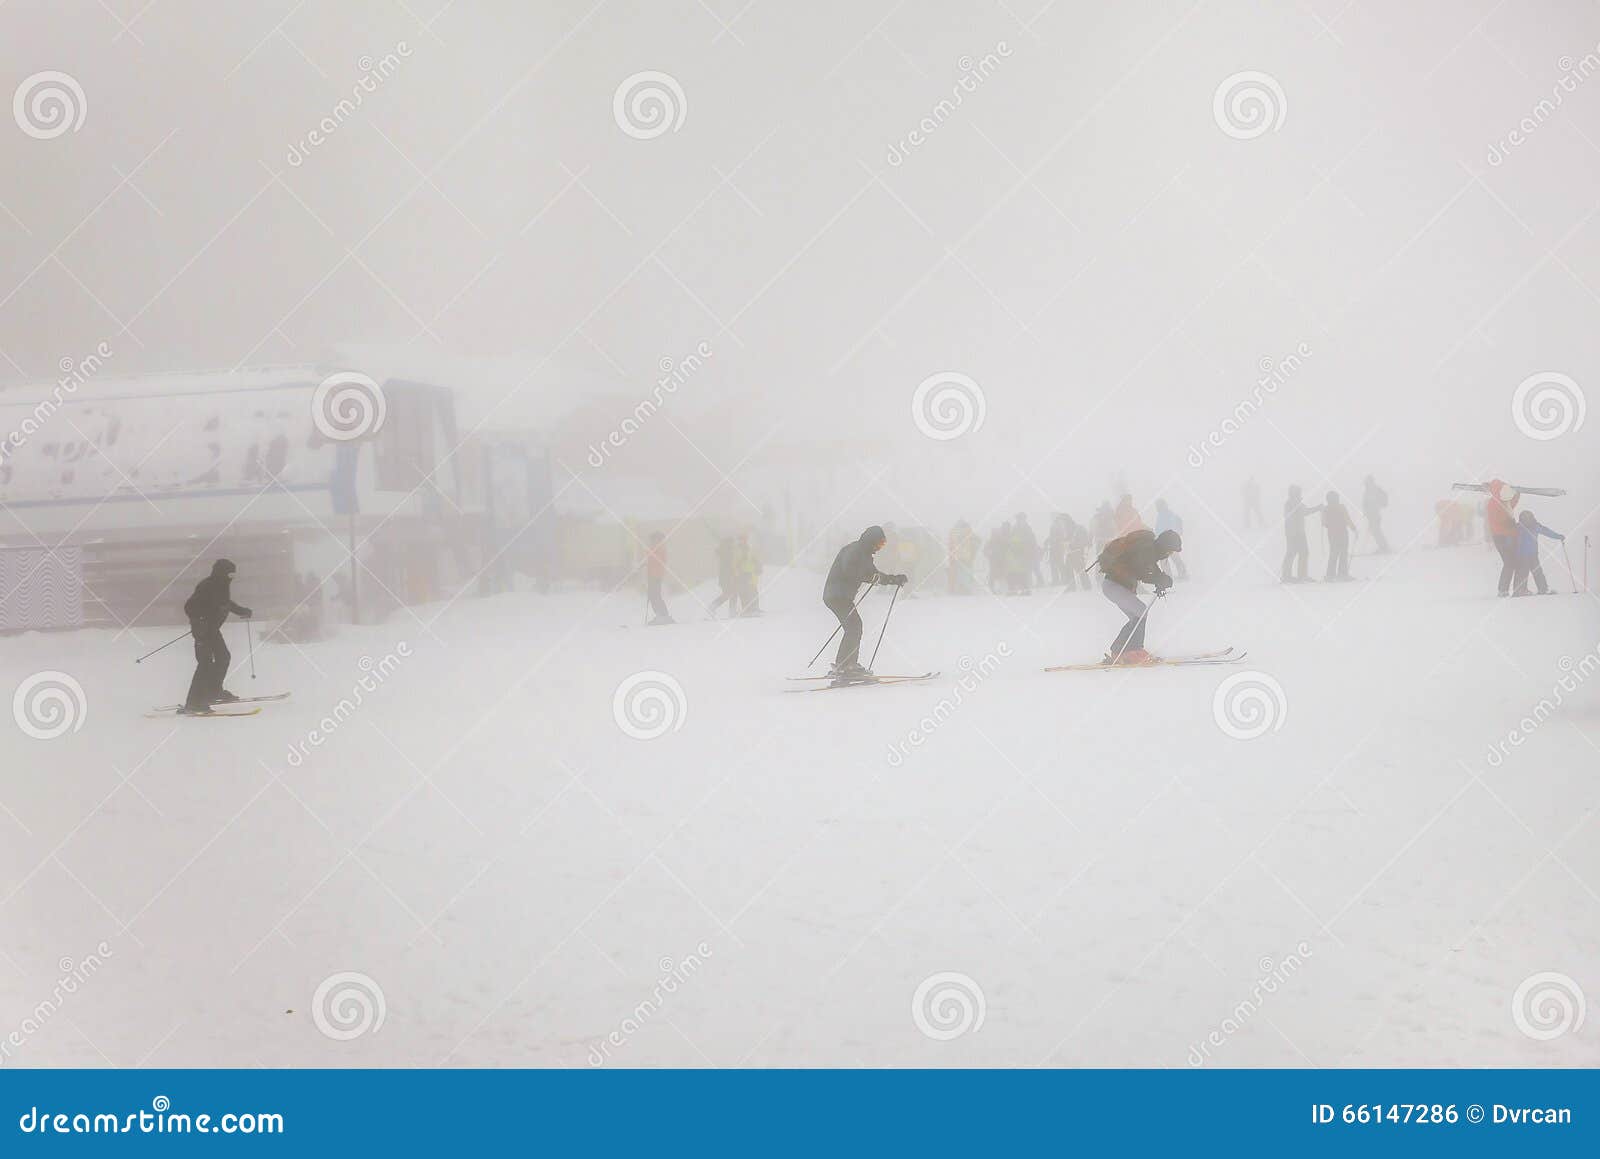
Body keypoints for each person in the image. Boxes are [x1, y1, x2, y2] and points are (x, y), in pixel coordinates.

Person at [822, 526, 906, 681]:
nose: (879, 548)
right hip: (837, 595)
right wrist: (869, 577)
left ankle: (844, 665)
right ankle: (846, 666)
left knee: (853, 627)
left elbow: (873, 575)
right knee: (854, 626)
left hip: (839, 595)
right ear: (871, 540)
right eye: (879, 543)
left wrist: (894, 579)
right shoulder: (855, 550)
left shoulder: (864, 554)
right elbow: (850, 570)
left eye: (882, 544)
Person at [1094, 528, 1181, 664]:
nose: (1169, 554)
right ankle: (1131, 650)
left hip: (1116, 586)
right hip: (1113, 586)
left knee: (1137, 616)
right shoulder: (1146, 550)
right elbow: (1144, 572)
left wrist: (1160, 580)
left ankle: (1124, 650)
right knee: (1140, 611)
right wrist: (1160, 579)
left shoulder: (1149, 551)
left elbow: (1150, 570)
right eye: (1170, 551)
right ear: (1165, 546)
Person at [181, 558, 252, 714]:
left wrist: (242, 611)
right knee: (205, 663)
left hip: (212, 630)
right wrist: (201, 620)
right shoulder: (206, 586)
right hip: (202, 631)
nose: (232, 578)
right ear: (221, 573)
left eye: (233, 575)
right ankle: (193, 703)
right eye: (230, 574)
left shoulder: (222, 586)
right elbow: (189, 606)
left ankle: (214, 691)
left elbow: (226, 603)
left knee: (223, 657)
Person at [1512, 510, 1564, 596]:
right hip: (1522, 555)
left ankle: (1542, 589)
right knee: (1523, 572)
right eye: (1525, 518)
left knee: (1537, 571)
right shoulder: (1519, 528)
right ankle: (1520, 590)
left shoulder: (1534, 526)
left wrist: (1558, 536)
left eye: (1528, 518)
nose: (1527, 520)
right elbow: (1510, 538)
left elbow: (1547, 532)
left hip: (1532, 554)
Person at [1485, 480, 1521, 596]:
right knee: (1509, 562)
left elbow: (1512, 504)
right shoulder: (1493, 503)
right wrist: (1507, 523)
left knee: (1512, 562)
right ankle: (1503, 590)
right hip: (1501, 537)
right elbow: (1495, 518)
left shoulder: (1504, 501)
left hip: (1509, 535)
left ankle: (1511, 589)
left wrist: (1517, 494)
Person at [1282, 485, 1323, 583]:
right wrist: (1317, 508)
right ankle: (1289, 576)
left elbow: (1304, 512)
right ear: (1294, 493)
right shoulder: (1292, 503)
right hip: (1294, 533)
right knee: (1294, 553)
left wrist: (1317, 508)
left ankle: (1297, 575)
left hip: (1297, 532)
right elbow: (1304, 512)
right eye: (1298, 492)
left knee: (1301, 553)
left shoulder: (1294, 503)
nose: (1300, 493)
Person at [1321, 491, 1358, 581]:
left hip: (1332, 534)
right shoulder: (1341, 507)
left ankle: (1330, 575)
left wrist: (1330, 525)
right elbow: (1347, 519)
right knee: (1343, 553)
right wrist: (1354, 529)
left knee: (1334, 553)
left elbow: (1324, 523)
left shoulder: (1326, 509)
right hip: (1342, 533)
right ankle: (1342, 574)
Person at [1153, 499, 1187, 580]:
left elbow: (1160, 529)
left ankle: (1169, 578)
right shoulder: (1169, 513)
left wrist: (1157, 538)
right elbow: (1178, 522)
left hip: (1165, 541)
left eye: (1158, 506)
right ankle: (1182, 574)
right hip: (1170, 540)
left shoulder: (1163, 515)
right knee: (1175, 558)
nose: (1157, 508)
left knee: (1164, 560)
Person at [645, 532, 673, 624]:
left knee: (655, 596)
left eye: (653, 540)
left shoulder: (659, 549)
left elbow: (655, 562)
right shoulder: (656, 549)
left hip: (655, 576)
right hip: (653, 575)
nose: (651, 542)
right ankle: (661, 615)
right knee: (653, 595)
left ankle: (663, 615)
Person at [708, 536, 739, 617]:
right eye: (732, 543)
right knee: (730, 593)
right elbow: (729, 567)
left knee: (731, 593)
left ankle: (731, 611)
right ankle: (713, 607)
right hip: (728, 577)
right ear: (729, 544)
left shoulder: (724, 552)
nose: (734, 544)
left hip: (725, 577)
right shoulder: (728, 553)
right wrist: (733, 575)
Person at [948, 520, 979, 594]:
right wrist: (974, 550)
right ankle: (965, 589)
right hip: (967, 556)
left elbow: (951, 545)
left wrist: (951, 556)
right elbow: (978, 541)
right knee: (966, 573)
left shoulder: (954, 532)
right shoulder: (969, 532)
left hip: (957, 556)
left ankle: (961, 588)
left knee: (959, 573)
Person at [735, 532, 762, 615]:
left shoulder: (749, 548)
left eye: (745, 539)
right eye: (741, 539)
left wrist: (758, 567)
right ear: (739, 540)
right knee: (744, 592)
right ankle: (746, 609)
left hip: (751, 573)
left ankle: (755, 608)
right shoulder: (737, 550)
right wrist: (738, 568)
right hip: (741, 573)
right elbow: (735, 562)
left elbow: (755, 558)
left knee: (753, 590)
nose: (743, 541)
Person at [1362, 475, 1390, 553]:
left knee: (1376, 531)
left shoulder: (1374, 490)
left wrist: (1379, 504)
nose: (1365, 484)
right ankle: (1383, 547)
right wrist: (1366, 512)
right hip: (1371, 515)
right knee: (1375, 531)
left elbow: (1370, 502)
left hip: (1374, 514)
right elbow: (1365, 503)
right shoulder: (1368, 491)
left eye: (1366, 482)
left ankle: (1384, 547)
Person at [1012, 513, 1038, 594]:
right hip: (1018, 552)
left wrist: (1033, 549)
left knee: (1027, 569)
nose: (1021, 520)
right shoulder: (1015, 529)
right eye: (1019, 519)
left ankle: (1027, 586)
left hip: (1027, 552)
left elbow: (1032, 540)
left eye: (1022, 519)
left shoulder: (1028, 528)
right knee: (1019, 569)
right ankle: (1021, 585)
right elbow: (1013, 540)